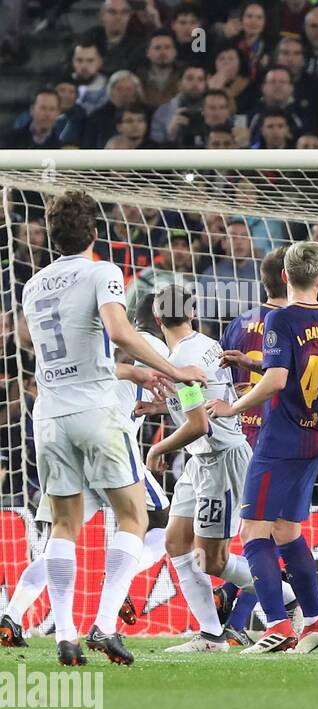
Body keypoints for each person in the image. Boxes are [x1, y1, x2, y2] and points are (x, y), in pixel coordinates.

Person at [16, 190, 206, 665]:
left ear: (52, 237)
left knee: (64, 525)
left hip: (49, 414)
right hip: (97, 411)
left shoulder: (33, 285)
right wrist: (175, 371)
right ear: (95, 233)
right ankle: (104, 625)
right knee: (134, 518)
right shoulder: (103, 272)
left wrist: (129, 371)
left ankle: (65, 635)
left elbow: (41, 342)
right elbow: (119, 332)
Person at [0, 304, 173, 649]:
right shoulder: (157, 350)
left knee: (62, 537)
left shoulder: (106, 344)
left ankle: (12, 616)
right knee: (163, 522)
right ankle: (117, 584)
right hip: (114, 447)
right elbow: (184, 401)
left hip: (72, 441)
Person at [206, 241, 318, 654]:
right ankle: (317, 618)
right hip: (314, 433)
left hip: (280, 436)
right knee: (287, 530)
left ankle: (277, 625)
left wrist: (232, 407)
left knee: (253, 531)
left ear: (284, 276)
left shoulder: (279, 318)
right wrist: (251, 363)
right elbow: (310, 374)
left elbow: (279, 379)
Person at [139, 290, 253, 653]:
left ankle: (296, 600)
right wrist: (160, 408)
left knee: (213, 560)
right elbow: (197, 404)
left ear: (158, 320)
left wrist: (157, 448)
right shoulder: (205, 344)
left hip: (220, 459)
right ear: (192, 314)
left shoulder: (180, 360)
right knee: (175, 542)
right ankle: (211, 635)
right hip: (200, 460)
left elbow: (199, 424)